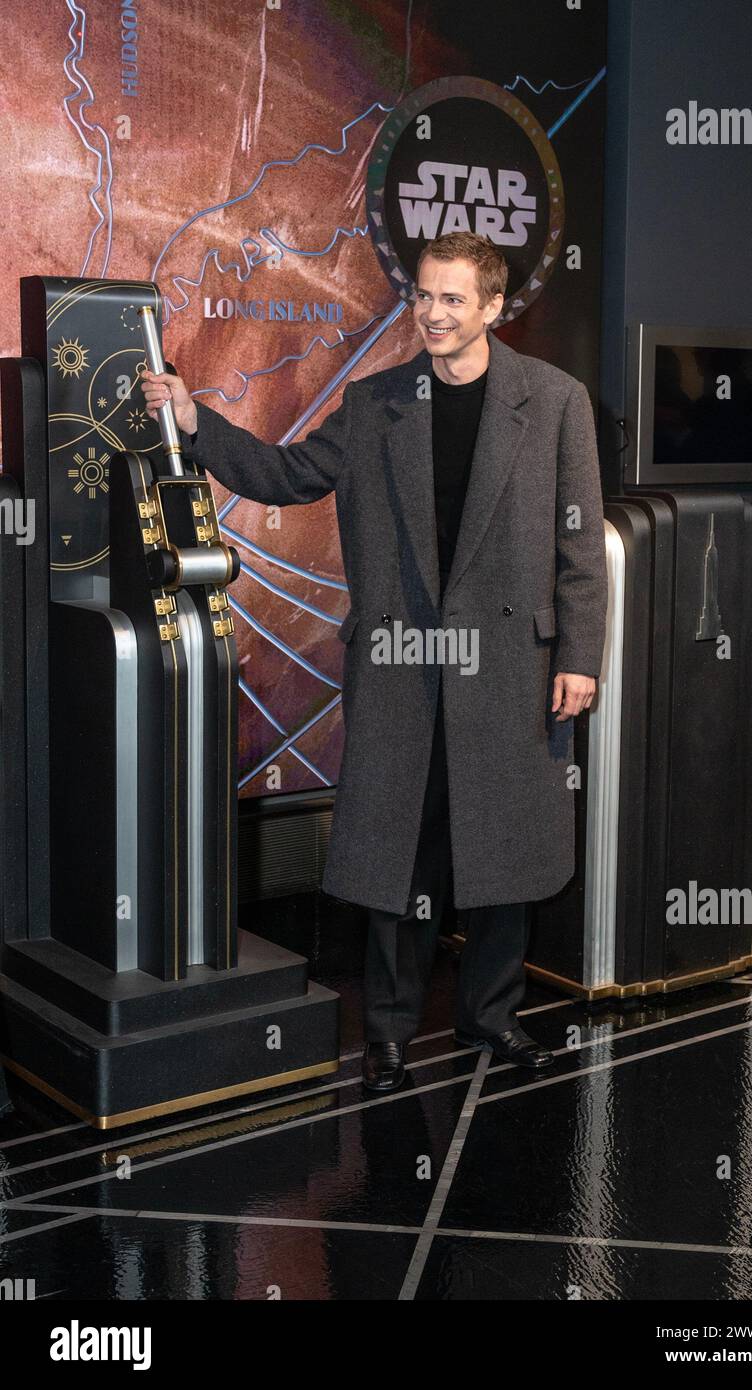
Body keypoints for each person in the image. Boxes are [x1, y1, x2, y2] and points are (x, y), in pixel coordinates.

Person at [141, 230, 608, 1094]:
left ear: (494, 307)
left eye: (453, 299)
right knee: (402, 860)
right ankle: (389, 1035)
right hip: (404, 666)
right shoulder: (376, 403)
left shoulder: (554, 401)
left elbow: (579, 542)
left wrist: (581, 655)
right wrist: (196, 424)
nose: (431, 313)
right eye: (424, 296)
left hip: (511, 665)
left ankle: (492, 1019)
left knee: (506, 857)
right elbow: (284, 475)